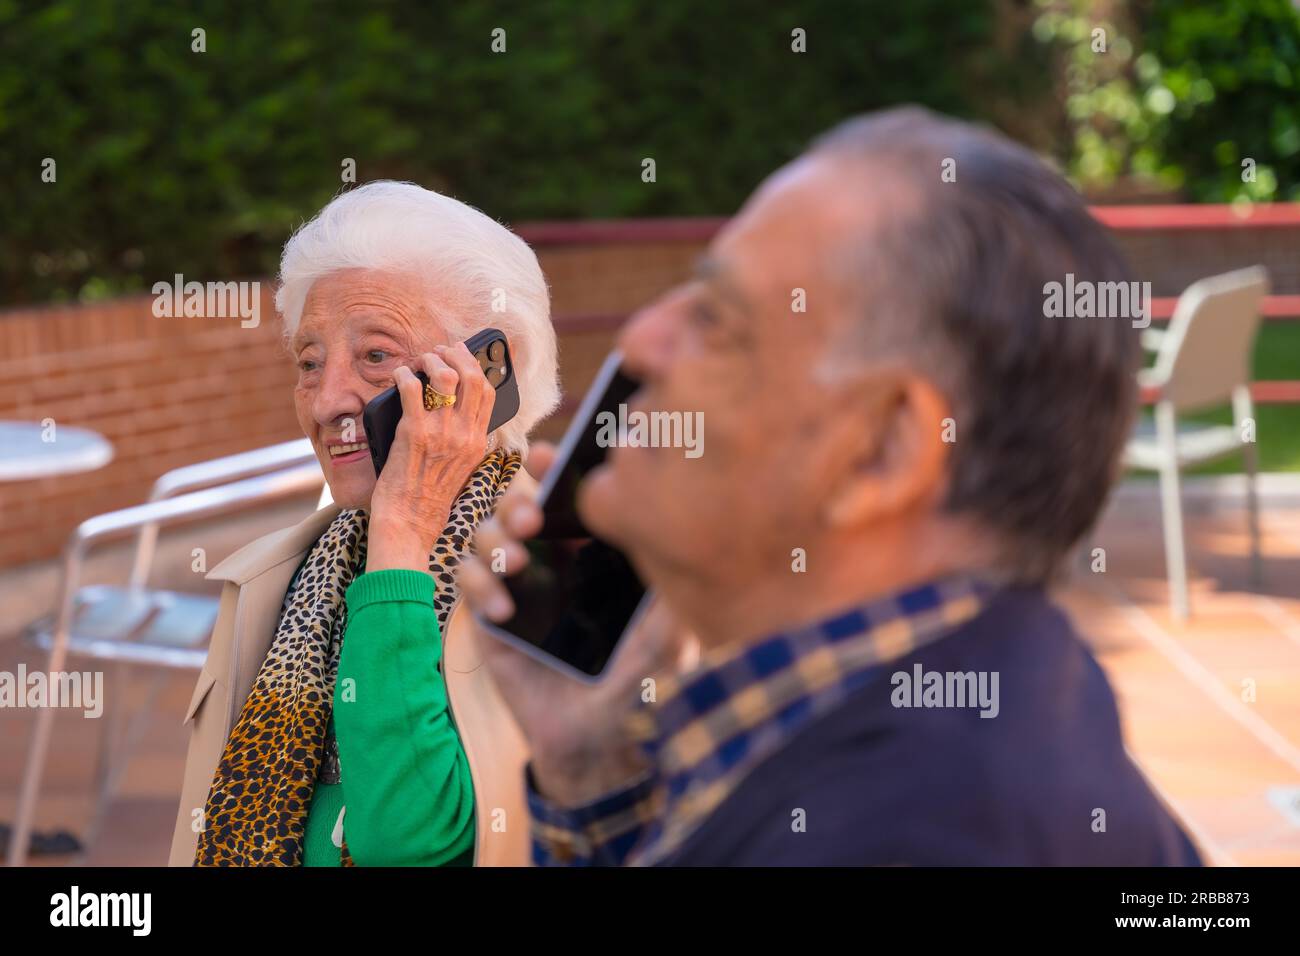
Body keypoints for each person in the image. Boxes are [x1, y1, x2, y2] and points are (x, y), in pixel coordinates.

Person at [458, 107, 1203, 866]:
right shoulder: (1002, 731)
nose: (641, 339)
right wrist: (591, 779)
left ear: (881, 450)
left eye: (718, 320)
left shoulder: (909, 838)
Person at [169, 181, 559, 866]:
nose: (326, 401)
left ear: (489, 377)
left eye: (375, 356)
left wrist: (403, 533)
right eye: (309, 363)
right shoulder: (274, 583)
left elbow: (405, 842)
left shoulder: (543, 563)